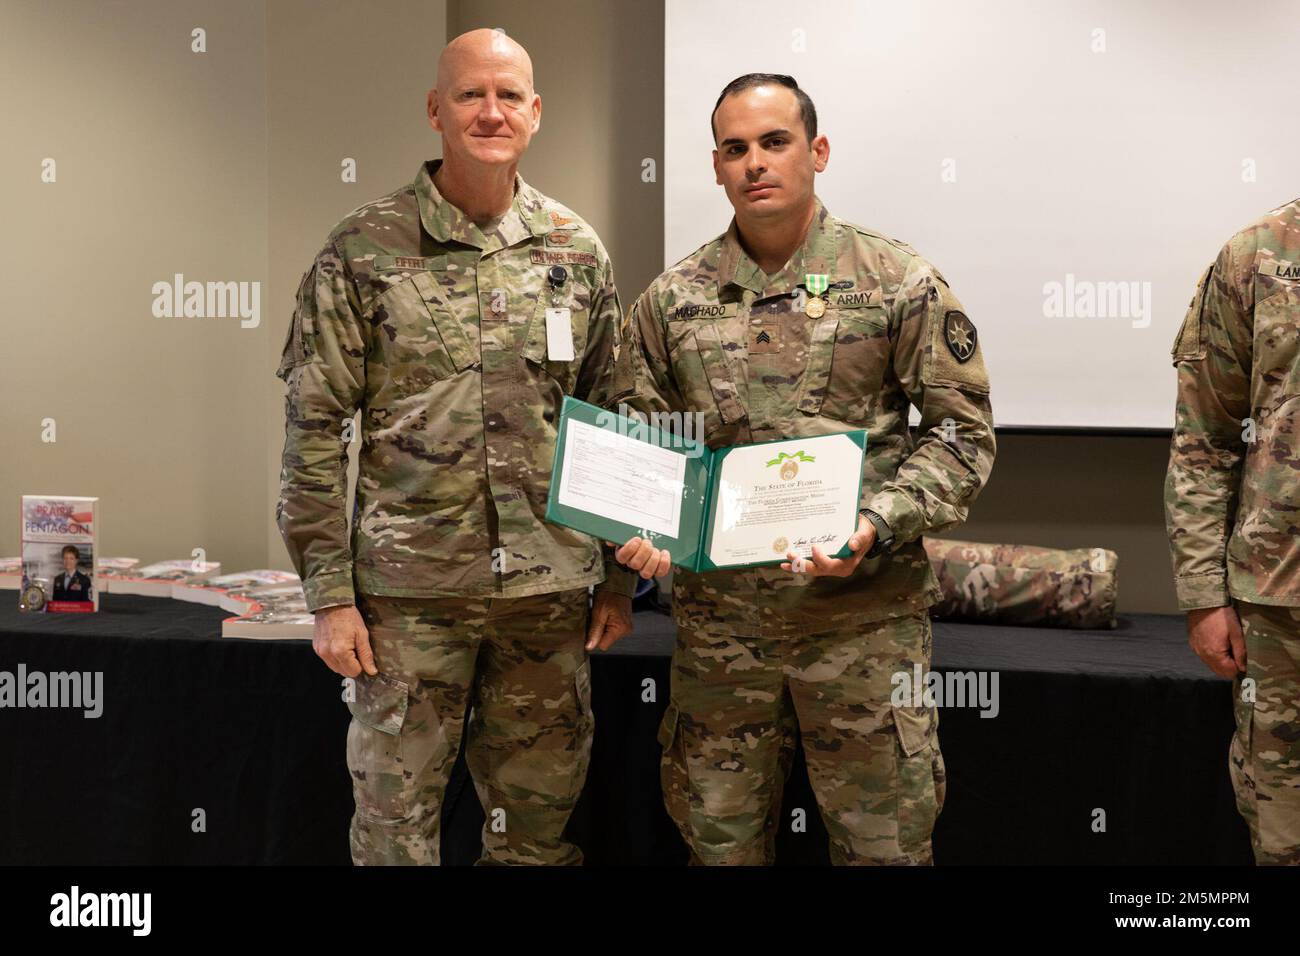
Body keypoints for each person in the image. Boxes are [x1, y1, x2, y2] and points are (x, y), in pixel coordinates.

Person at [610, 74, 996, 864]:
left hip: (862, 629)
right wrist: (641, 526)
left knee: (884, 850)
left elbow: (963, 436)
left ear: (816, 152)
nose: (755, 162)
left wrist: (878, 522)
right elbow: (638, 447)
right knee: (719, 850)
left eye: (775, 142)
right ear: (716, 166)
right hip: (723, 643)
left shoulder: (898, 281)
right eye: (735, 148)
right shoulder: (670, 302)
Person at [275, 28, 635, 866]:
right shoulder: (362, 251)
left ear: (536, 113)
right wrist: (328, 594)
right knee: (396, 833)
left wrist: (617, 575)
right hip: (410, 598)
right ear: (435, 110)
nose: (491, 111)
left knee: (536, 835)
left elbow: (612, 418)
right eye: (471, 94)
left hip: (549, 596)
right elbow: (316, 428)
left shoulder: (575, 251)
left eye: (509, 95)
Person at [1165, 197, 1300, 866]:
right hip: (1281, 609)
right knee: (1284, 835)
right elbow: (1205, 439)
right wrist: (1203, 594)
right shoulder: (1257, 257)